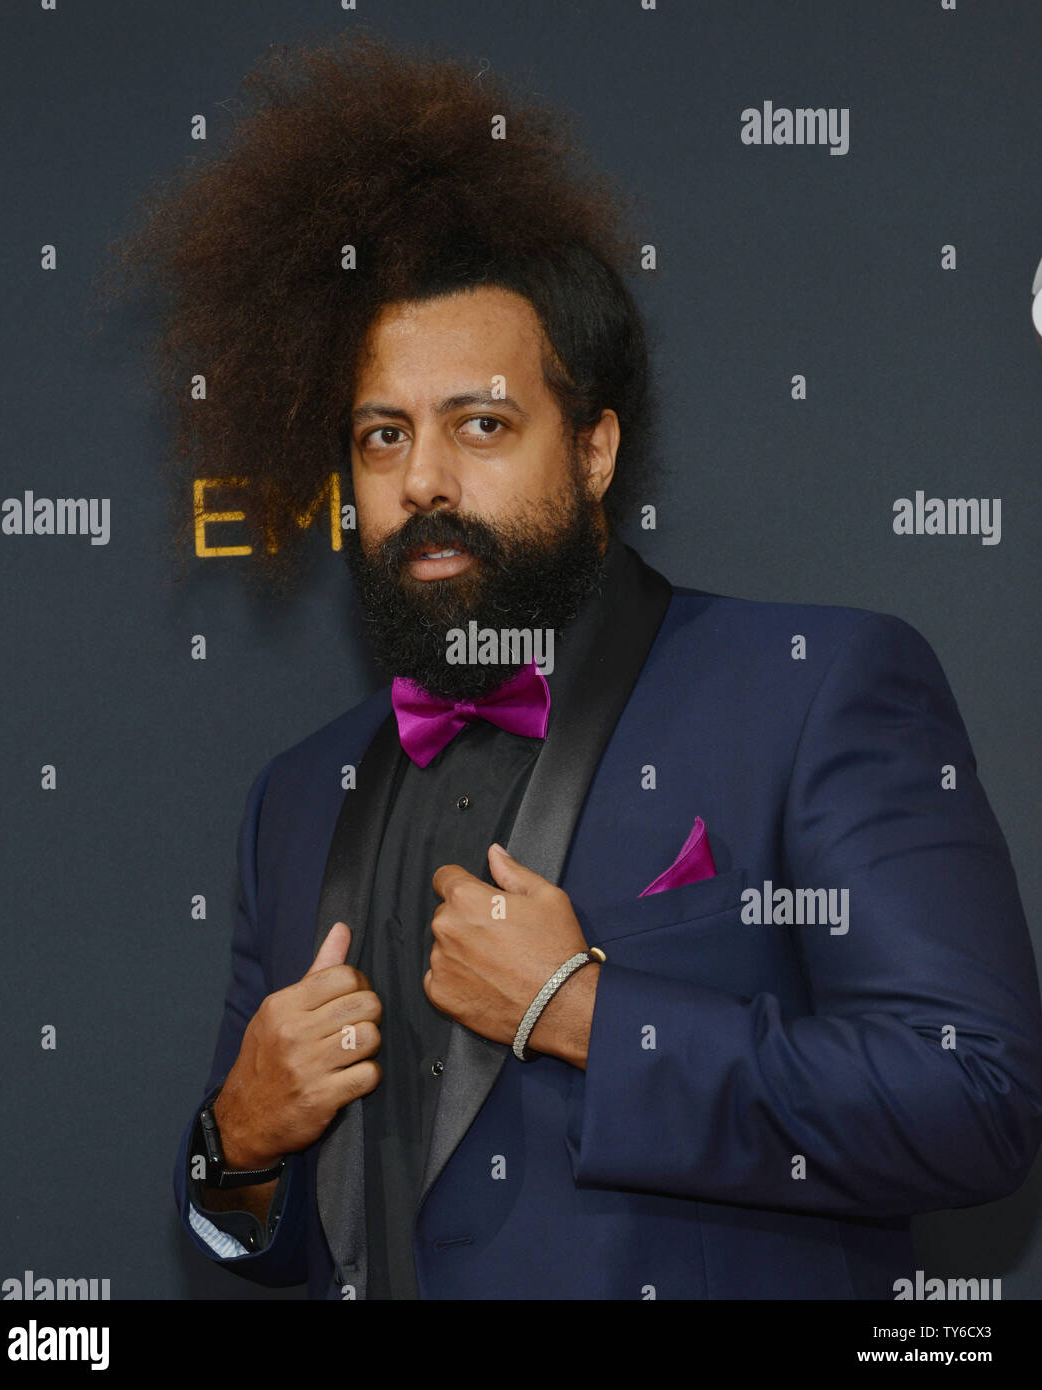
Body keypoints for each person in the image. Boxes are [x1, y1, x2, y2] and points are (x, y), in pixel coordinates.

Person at [101, 30, 1042, 1299]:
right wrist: (239, 1142)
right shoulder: (297, 796)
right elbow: (292, 1232)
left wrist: (584, 1011)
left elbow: (976, 1099)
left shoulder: (811, 688)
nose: (424, 479)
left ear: (593, 451)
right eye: (382, 437)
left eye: (482, 424)